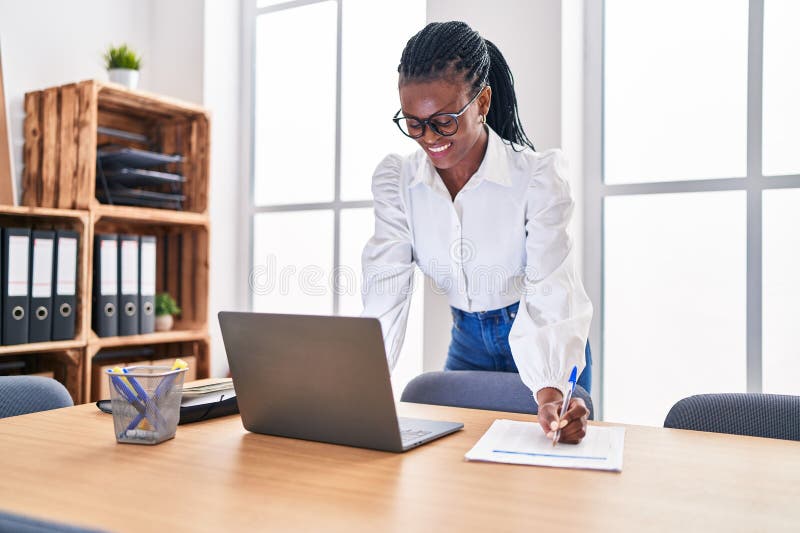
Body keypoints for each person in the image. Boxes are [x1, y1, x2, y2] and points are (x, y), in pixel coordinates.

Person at [361, 21, 592, 444]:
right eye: (413, 123)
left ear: (482, 101)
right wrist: (355, 392)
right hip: (467, 341)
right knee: (458, 470)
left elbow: (551, 287)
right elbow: (384, 292)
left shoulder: (537, 178)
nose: (428, 138)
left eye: (444, 121)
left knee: (554, 467)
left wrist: (550, 389)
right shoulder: (399, 182)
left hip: (542, 327)